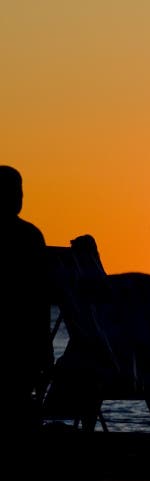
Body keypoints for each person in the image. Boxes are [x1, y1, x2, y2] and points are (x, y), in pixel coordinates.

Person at [0, 166, 53, 438]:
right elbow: (38, 299)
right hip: (22, 342)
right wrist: (44, 348)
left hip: (23, 343)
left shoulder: (31, 236)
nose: (20, 198)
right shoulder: (29, 237)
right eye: (16, 193)